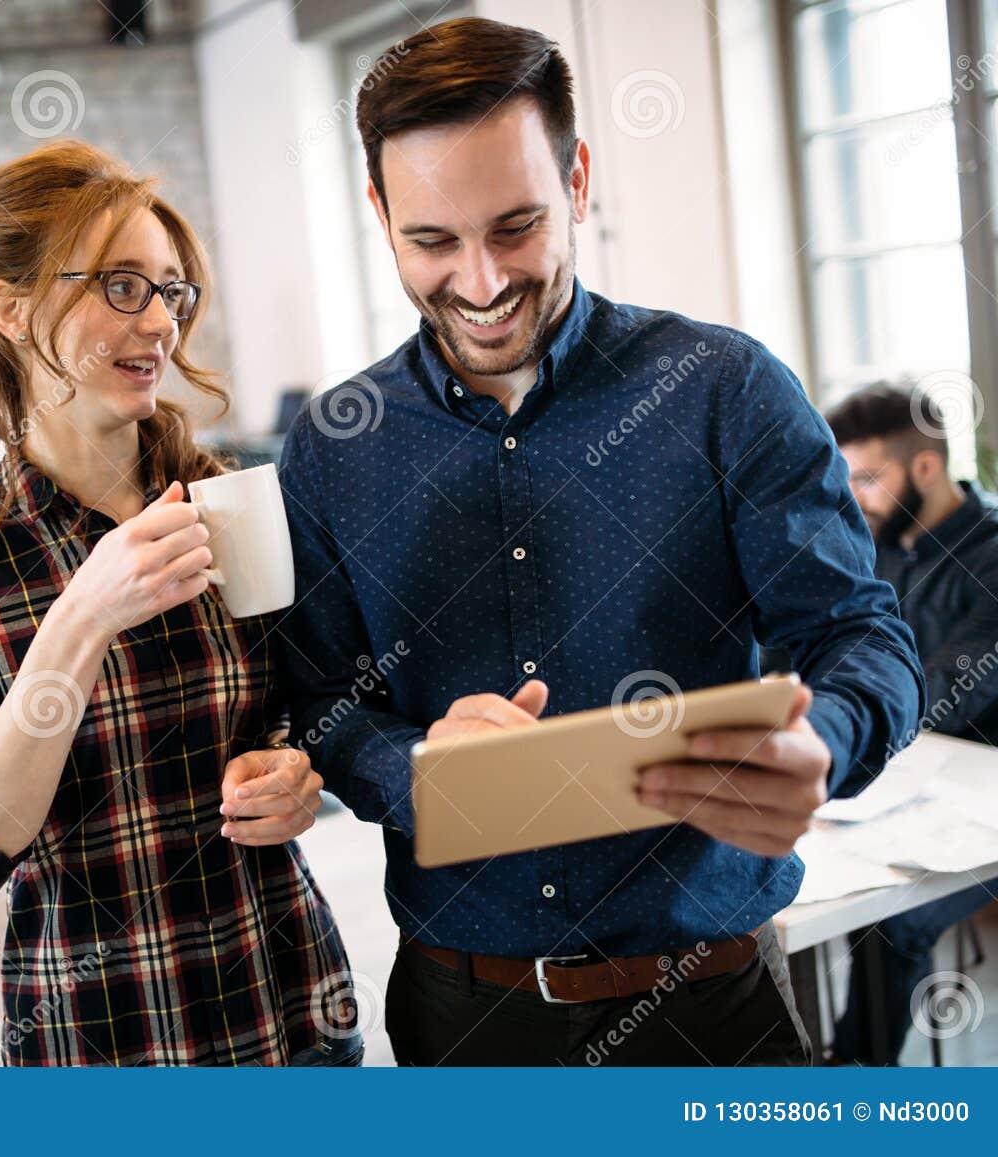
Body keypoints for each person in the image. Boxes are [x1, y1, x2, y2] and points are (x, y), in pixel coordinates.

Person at [278, 16, 925, 1067]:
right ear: (378, 213)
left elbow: (861, 633)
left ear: (576, 180)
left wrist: (830, 739)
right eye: (432, 241)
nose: (482, 283)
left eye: (516, 226)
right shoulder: (333, 449)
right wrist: (416, 767)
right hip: (463, 1018)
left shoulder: (724, 390)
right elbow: (318, 708)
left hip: (712, 1006)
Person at [0, 140, 355, 1066]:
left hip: (289, 1009)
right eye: (121, 285)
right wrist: (84, 615)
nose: (161, 324)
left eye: (171, 290)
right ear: (11, 310)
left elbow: (314, 714)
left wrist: (301, 772)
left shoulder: (229, 503)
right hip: (101, 1039)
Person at [824, 383, 997, 1063]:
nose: (855, 495)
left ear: (924, 467)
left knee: (887, 921)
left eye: (868, 477)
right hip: (899, 787)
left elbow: (943, 693)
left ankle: (851, 1081)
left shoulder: (988, 560)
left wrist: (846, 711)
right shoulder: (878, 547)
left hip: (979, 806)